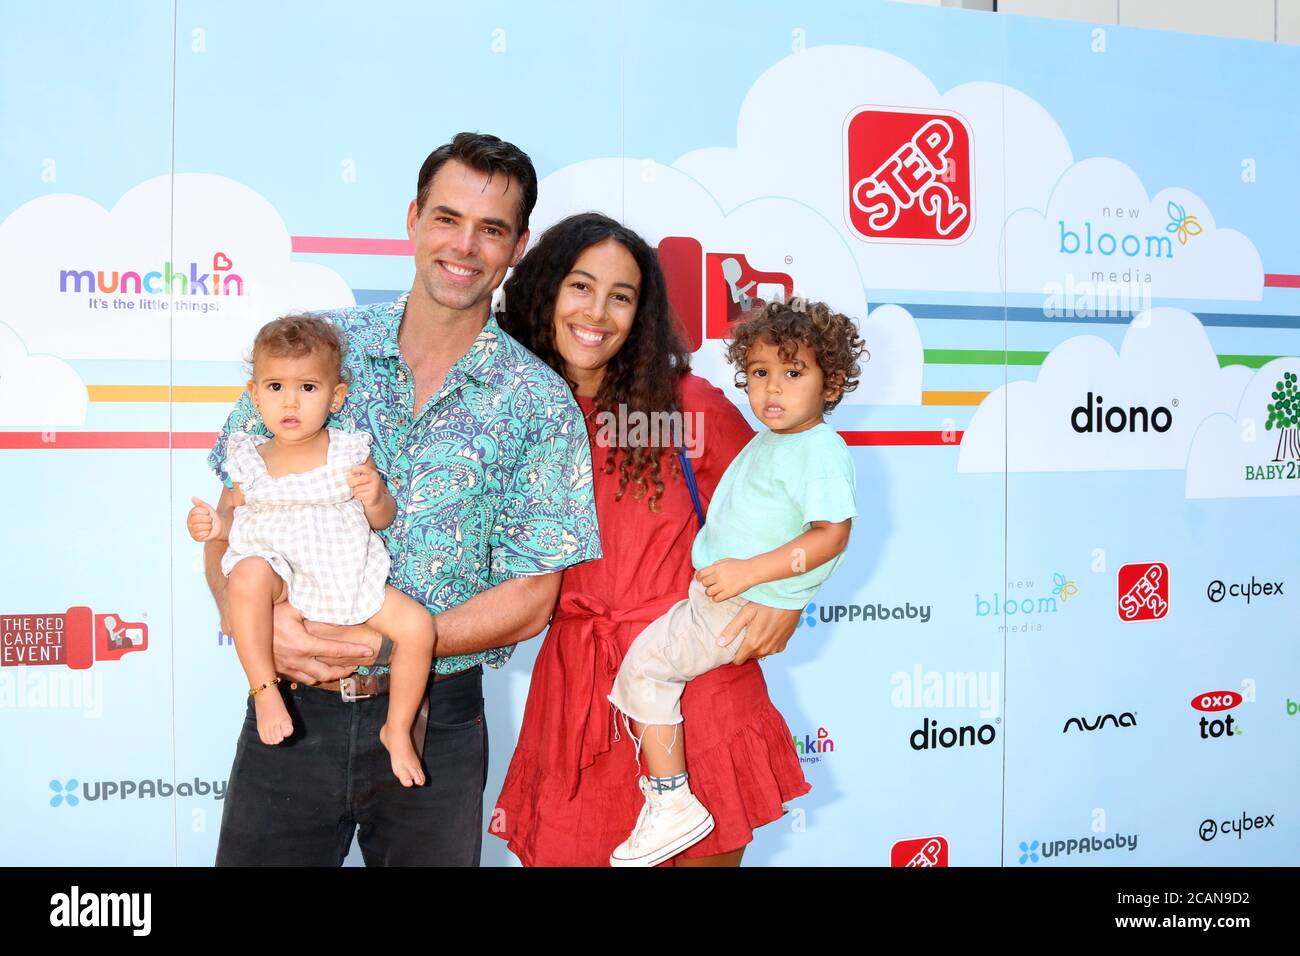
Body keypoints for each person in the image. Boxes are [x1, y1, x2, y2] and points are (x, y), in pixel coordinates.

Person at [201, 133, 601, 866]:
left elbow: (535, 592)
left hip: (438, 725)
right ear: (413, 218)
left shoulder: (540, 401)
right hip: (290, 705)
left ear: (519, 246)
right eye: (448, 218)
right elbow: (226, 526)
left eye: (492, 229)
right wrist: (257, 619)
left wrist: (392, 643)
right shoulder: (316, 353)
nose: (465, 246)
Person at [493, 212, 813, 867]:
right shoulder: (507, 411)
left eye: (621, 296)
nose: (598, 312)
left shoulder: (687, 406)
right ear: (544, 291)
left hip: (695, 686)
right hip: (580, 696)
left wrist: (787, 597)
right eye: (580, 287)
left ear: (641, 314)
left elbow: (796, 503)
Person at [607, 298, 863, 866]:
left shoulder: (819, 449)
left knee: (645, 670)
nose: (772, 389)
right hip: (723, 596)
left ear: (832, 383)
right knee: (647, 668)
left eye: (793, 374)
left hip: (739, 603)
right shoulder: (776, 442)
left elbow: (831, 535)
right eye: (760, 374)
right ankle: (669, 798)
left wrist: (754, 573)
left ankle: (672, 801)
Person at [188, 315, 434, 787]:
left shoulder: (349, 451)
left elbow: (381, 519)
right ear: (255, 395)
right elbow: (233, 522)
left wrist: (375, 495)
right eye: (276, 386)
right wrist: (213, 523)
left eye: (307, 387)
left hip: (346, 573)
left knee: (418, 628)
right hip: (285, 579)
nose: (290, 402)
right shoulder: (249, 460)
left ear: (336, 396)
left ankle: (397, 729)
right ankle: (264, 690)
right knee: (247, 573)